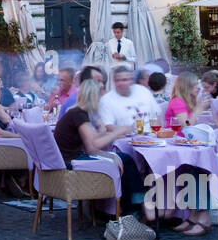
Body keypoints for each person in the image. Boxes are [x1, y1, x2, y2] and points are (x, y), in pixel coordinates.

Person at [52, 79, 145, 216]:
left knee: (123, 160)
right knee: (126, 161)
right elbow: (92, 147)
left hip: (66, 162)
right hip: (71, 165)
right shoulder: (79, 114)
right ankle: (134, 209)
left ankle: (130, 208)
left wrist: (106, 130)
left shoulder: (78, 112)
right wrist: (115, 134)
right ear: (94, 96)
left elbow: (92, 138)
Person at [98, 65, 162, 130]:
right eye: (117, 80)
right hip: (125, 138)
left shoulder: (143, 91)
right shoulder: (106, 100)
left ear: (131, 80)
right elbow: (108, 126)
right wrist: (128, 130)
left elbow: (158, 114)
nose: (121, 83)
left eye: (125, 80)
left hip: (152, 136)